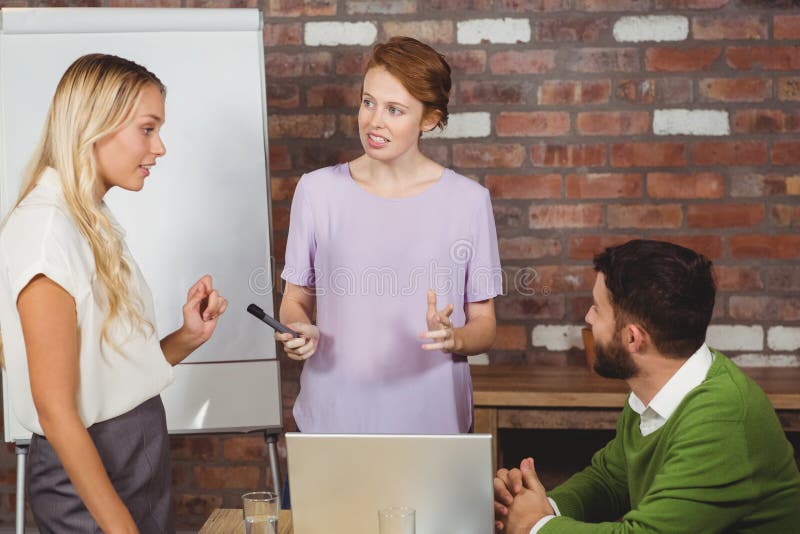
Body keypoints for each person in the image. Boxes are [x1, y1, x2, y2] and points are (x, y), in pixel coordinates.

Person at [0, 54, 228, 533]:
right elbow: (56, 410)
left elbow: (108, 375)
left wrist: (186, 338)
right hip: (92, 476)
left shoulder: (89, 220)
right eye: (148, 128)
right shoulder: (45, 231)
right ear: (94, 126)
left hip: (135, 456)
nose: (160, 146)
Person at [275, 36, 502, 435]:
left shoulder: (468, 201)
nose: (374, 121)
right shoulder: (316, 192)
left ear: (429, 119)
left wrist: (456, 338)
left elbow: (484, 322)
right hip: (333, 417)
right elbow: (295, 300)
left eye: (394, 109)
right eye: (368, 102)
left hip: (433, 421)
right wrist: (297, 328)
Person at [494, 239, 800, 533]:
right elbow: (611, 479)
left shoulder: (722, 418)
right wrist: (534, 505)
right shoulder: (658, 386)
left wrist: (534, 525)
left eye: (597, 309)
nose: (588, 317)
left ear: (632, 338)